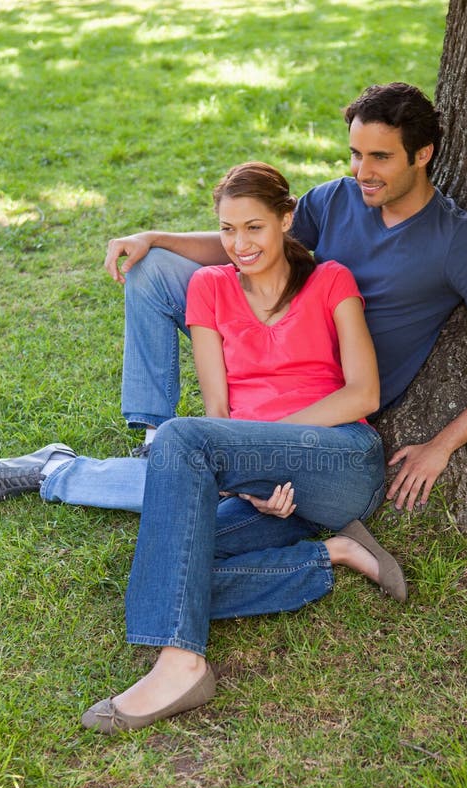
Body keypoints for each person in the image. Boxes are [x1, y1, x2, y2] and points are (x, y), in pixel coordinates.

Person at [0, 82, 467, 515]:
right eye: (355, 154)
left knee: (210, 484)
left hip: (334, 397)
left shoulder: (459, 241)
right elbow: (254, 251)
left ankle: (61, 472)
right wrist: (157, 239)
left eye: (380, 158)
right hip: (271, 353)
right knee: (151, 272)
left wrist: (441, 446)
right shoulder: (336, 200)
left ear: (424, 154)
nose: (361, 172)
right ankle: (152, 439)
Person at [75, 161, 405, 733]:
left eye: (253, 227)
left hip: (340, 458)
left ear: (286, 219)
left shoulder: (331, 280)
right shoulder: (208, 287)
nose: (239, 244)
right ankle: (333, 555)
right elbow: (220, 414)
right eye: (227, 230)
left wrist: (272, 448)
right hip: (265, 484)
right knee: (174, 562)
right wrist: (247, 483)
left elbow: (363, 392)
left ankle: (181, 666)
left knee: (177, 446)